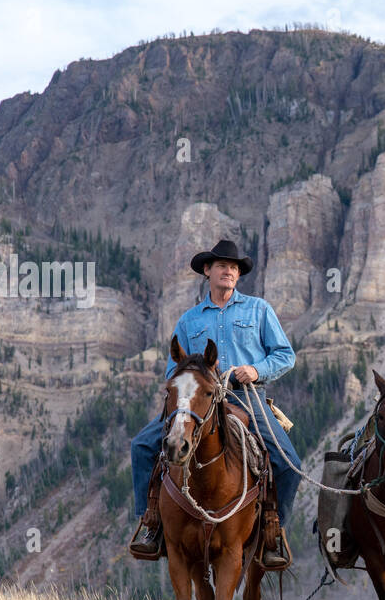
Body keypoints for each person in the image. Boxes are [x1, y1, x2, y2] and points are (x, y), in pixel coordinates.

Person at [128, 239, 301, 567]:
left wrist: (255, 369)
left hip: (246, 397)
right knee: (141, 447)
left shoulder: (258, 309)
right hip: (196, 403)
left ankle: (273, 530)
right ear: (207, 271)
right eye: (222, 266)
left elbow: (285, 356)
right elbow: (172, 370)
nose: (229, 271)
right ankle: (151, 523)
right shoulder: (188, 321)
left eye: (234, 268)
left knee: (289, 462)